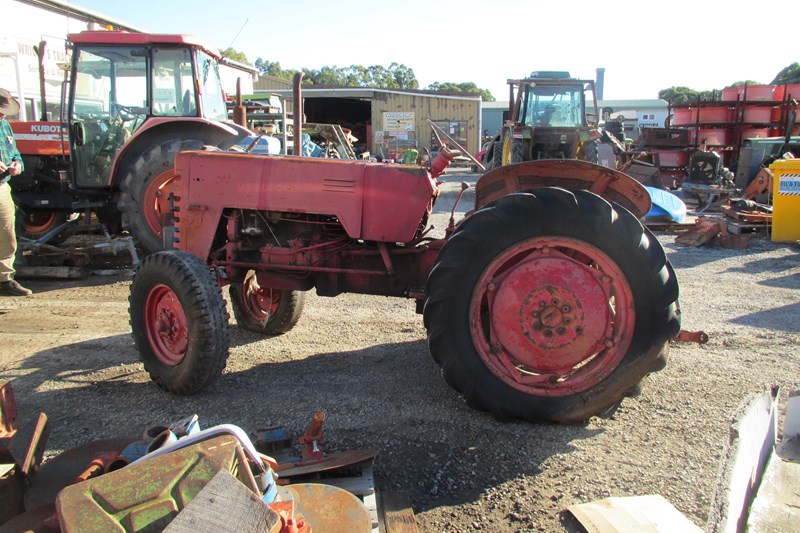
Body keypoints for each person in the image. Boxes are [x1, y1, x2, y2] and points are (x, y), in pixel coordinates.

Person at [0, 88, 31, 296]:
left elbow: (16, 154)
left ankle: (4, 279)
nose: (3, 114)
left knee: (6, 234)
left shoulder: (5, 127)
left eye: (4, 111)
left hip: (2, 186)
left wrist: (17, 165)